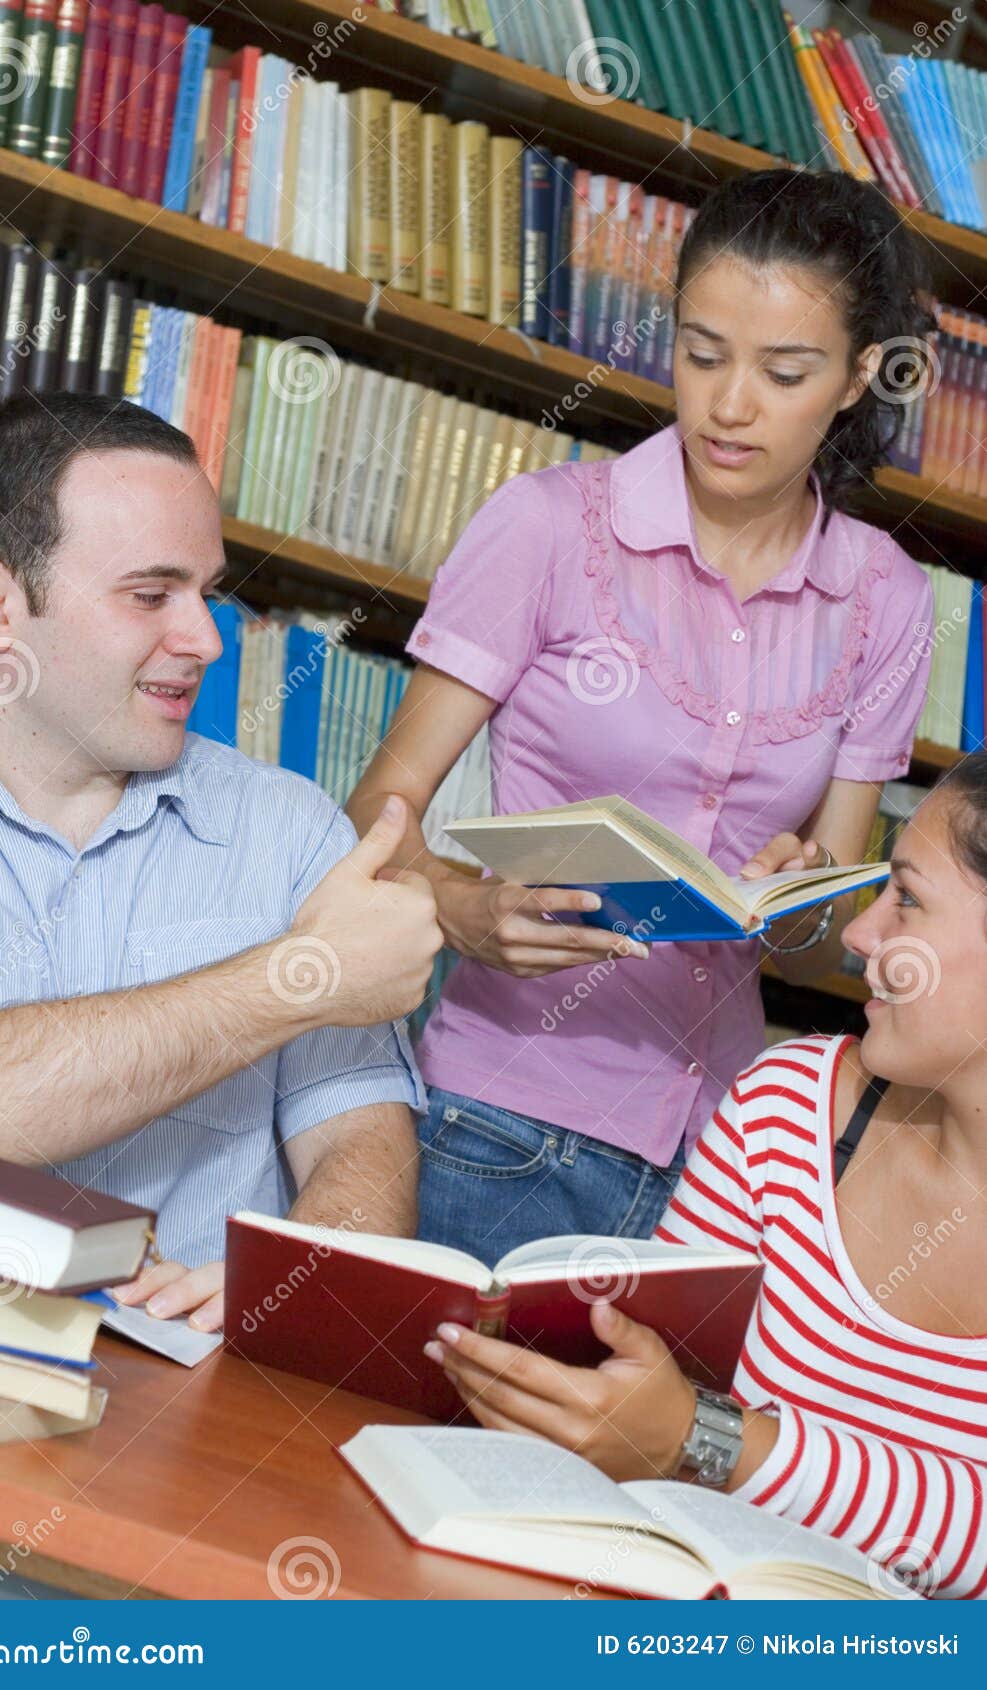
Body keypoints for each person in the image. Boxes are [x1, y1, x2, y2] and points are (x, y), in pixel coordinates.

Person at [347, 166, 935, 1263]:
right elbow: (379, 803)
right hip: (497, 1120)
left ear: (857, 377)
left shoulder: (884, 597)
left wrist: (790, 895)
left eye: (784, 370)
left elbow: (821, 931)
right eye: (700, 352)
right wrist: (459, 910)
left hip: (717, 1167)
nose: (727, 403)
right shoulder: (545, 527)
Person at [0, 391, 443, 1331]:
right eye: (150, 594)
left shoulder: (292, 831)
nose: (203, 639)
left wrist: (289, 1279)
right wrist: (297, 978)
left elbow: (362, 1145)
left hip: (209, 1409)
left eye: (205, 591)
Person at [427, 761, 987, 1597]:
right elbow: (650, 1383)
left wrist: (705, 1440)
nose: (857, 937)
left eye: (904, 897)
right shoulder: (783, 1107)